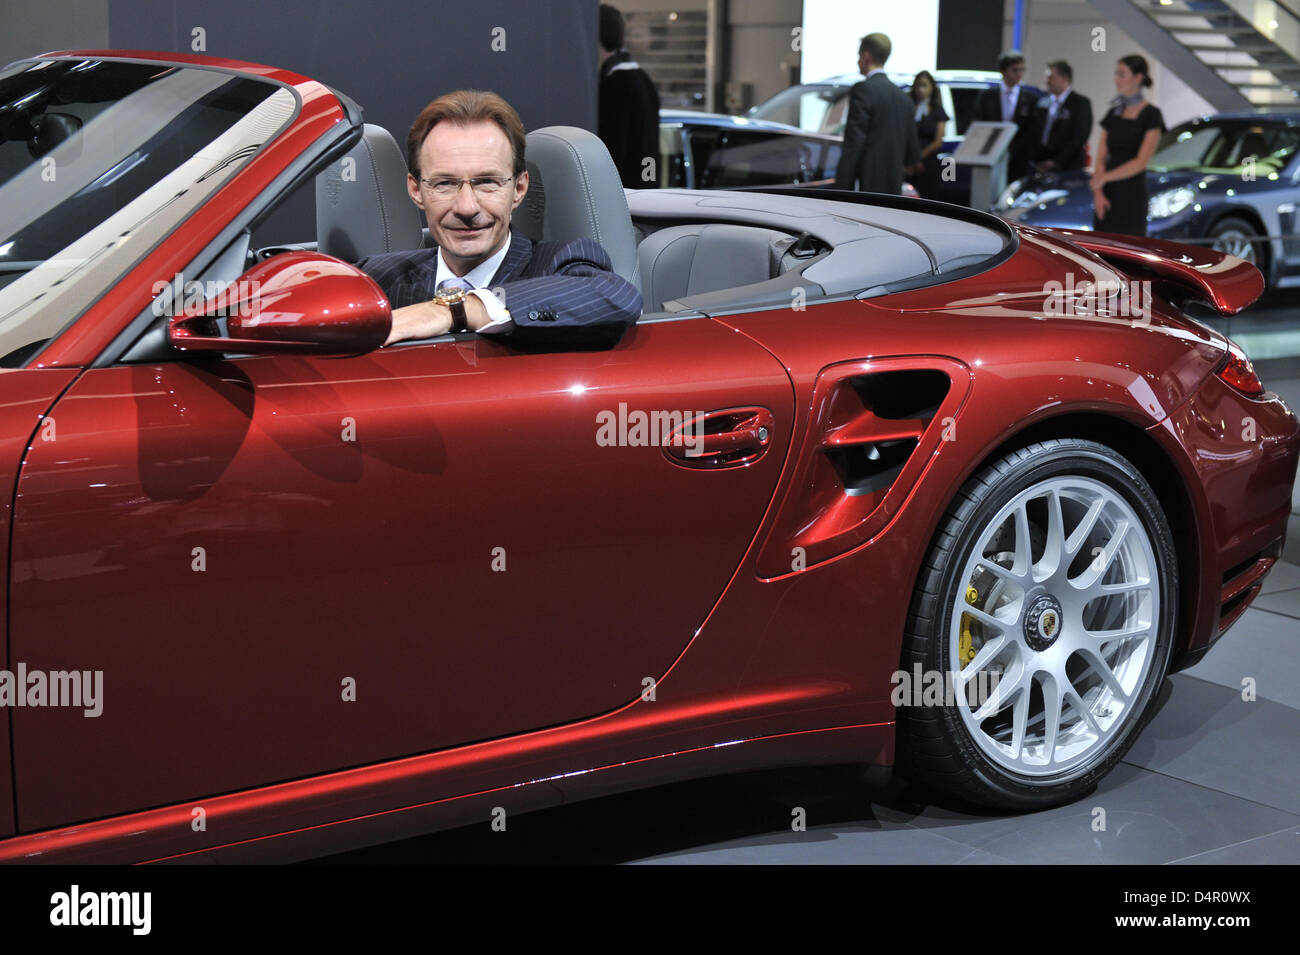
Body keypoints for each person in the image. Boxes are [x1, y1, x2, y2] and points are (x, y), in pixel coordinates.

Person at [356, 90, 642, 347]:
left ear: (518, 189)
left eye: (486, 182)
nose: (467, 207)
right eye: (444, 183)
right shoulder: (379, 277)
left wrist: (454, 310)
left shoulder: (559, 263)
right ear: (416, 190)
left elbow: (614, 295)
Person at [834, 33, 921, 195]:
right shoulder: (904, 99)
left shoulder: (863, 90)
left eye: (858, 55)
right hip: (893, 189)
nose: (857, 61)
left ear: (866, 56)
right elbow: (913, 154)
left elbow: (854, 143)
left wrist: (840, 188)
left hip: (866, 188)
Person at [1091, 55, 1164, 237]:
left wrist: (1104, 177)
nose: (1117, 79)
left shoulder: (1151, 115)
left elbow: (1141, 162)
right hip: (1107, 194)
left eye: (1122, 74)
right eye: (1117, 74)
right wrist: (1098, 192)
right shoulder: (1114, 112)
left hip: (1132, 194)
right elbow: (1100, 155)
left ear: (1138, 78)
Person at [598, 3, 660, 189]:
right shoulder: (641, 78)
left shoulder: (617, 83)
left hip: (624, 194)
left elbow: (613, 147)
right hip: (644, 190)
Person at [974, 51, 1036, 182]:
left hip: (1019, 159)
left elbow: (1031, 131)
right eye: (1014, 70)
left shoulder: (1030, 98)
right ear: (1003, 71)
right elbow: (980, 125)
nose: (1019, 74)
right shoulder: (987, 96)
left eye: (1022, 70)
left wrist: (1014, 151)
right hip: (991, 157)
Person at [1032, 60, 1092, 173]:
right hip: (1041, 166)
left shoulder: (1080, 103)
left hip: (1068, 167)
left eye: (1050, 77)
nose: (1047, 81)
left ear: (1064, 78)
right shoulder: (1042, 103)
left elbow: (1079, 138)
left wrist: (1056, 161)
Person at [905, 70, 948, 200]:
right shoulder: (909, 107)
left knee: (927, 200)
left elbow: (938, 141)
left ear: (931, 88)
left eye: (924, 85)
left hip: (928, 163)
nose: (920, 89)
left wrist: (918, 158)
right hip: (908, 164)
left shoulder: (937, 110)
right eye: (918, 85)